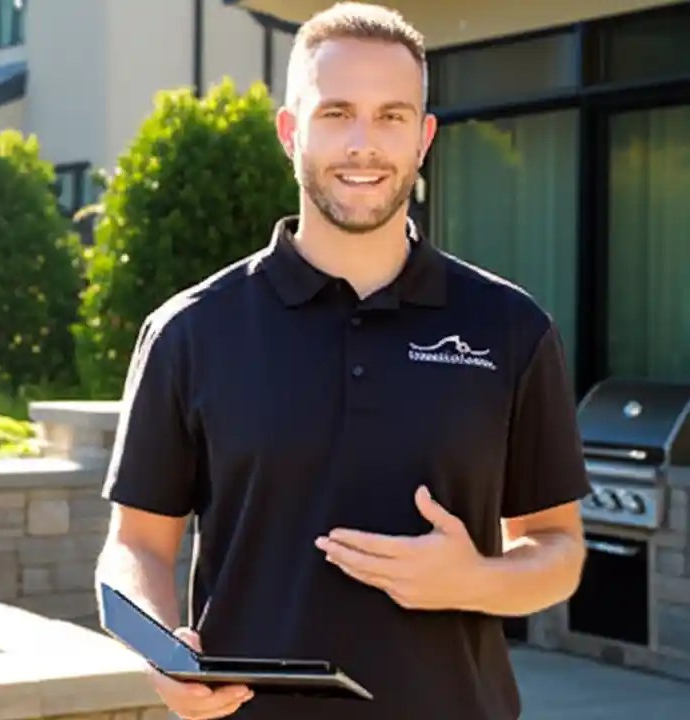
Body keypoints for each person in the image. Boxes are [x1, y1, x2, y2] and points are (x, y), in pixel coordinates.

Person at [93, 3, 592, 719]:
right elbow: (135, 544)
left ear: (423, 138)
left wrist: (476, 580)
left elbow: (558, 548)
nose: (364, 144)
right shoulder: (191, 330)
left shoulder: (510, 329)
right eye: (336, 114)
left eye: (391, 117)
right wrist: (159, 648)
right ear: (290, 131)